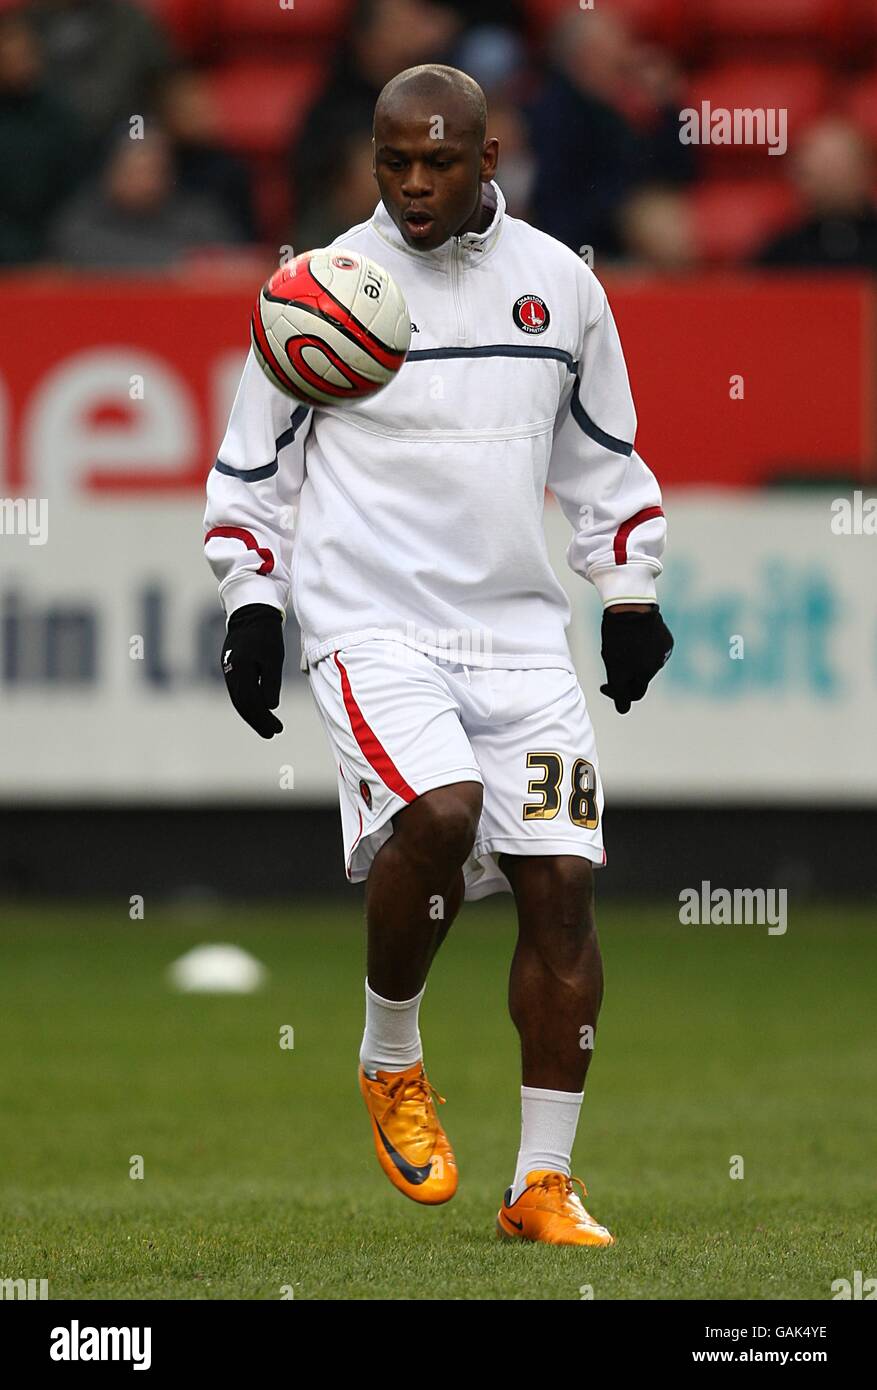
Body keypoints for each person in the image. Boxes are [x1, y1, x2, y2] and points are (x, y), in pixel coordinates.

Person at [204, 65, 673, 1247]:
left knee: (562, 887)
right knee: (444, 811)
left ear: (487, 159)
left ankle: (542, 1185)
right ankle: (389, 1053)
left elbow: (605, 458)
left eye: (438, 162)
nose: (414, 185)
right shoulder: (319, 293)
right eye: (393, 162)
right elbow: (250, 470)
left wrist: (628, 591)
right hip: (374, 623)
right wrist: (254, 602)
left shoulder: (561, 285)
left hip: (521, 637)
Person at [755, 117, 877, 271]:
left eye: (838, 166)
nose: (830, 179)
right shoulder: (780, 253)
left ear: (867, 169)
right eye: (821, 167)